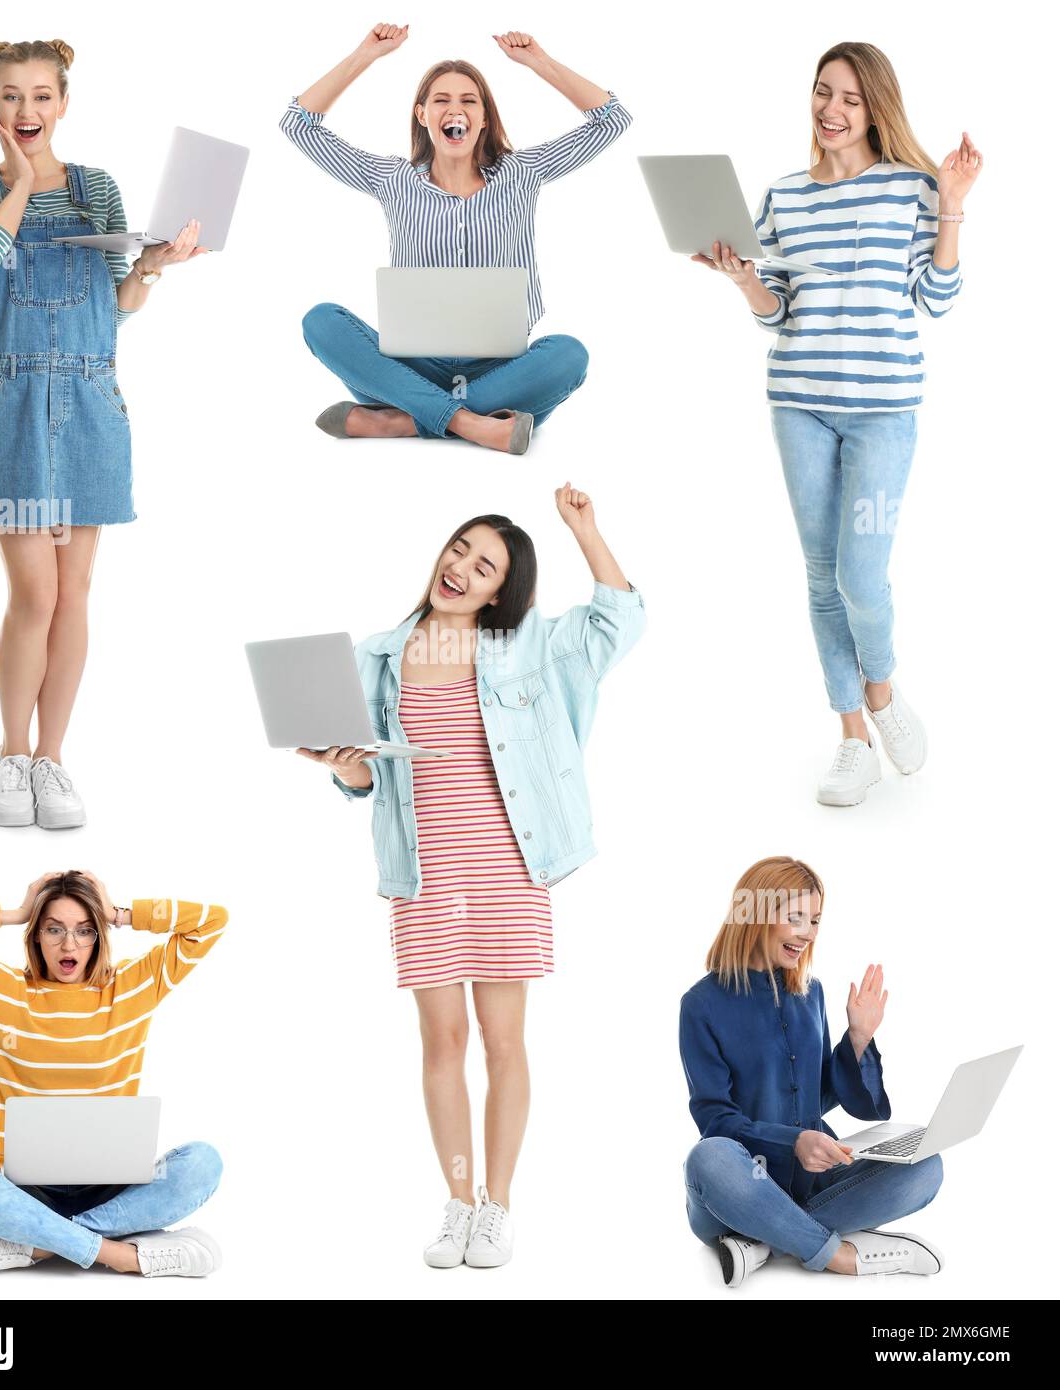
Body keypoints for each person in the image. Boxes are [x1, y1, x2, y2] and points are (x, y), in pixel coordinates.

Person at [298, 484, 644, 1266]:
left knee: (503, 1041)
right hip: (422, 873)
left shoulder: (527, 646)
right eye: (459, 548)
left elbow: (620, 621)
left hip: (506, 867)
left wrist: (586, 532)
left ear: (501, 589)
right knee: (441, 1042)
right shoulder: (375, 657)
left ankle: (500, 1206)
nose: (460, 568)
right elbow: (362, 786)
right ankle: (457, 1202)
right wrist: (346, 770)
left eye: (484, 566)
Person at [691, 43, 981, 805]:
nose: (832, 109)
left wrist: (950, 203)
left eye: (850, 98)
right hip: (800, 405)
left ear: (875, 107)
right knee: (822, 577)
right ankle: (853, 737)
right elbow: (776, 310)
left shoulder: (909, 189)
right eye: (824, 92)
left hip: (885, 409)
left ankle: (882, 694)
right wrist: (743, 279)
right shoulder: (784, 195)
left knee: (861, 573)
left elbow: (939, 300)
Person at [0, 39, 206, 829]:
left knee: (76, 595)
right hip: (14, 404)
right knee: (36, 593)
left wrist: (155, 265)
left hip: (92, 403)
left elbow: (117, 306)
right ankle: (11, 754)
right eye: (12, 98)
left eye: (41, 97)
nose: (28, 111)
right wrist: (21, 182)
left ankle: (54, 761)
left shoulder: (98, 191)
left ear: (64, 104)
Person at [282, 24, 631, 452]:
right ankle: (472, 423)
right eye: (441, 101)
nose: (456, 110)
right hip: (409, 369)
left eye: (469, 101)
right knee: (321, 321)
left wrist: (538, 61)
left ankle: (403, 421)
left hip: (500, 372)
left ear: (483, 118)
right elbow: (299, 125)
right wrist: (365, 55)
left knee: (569, 355)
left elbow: (612, 119)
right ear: (422, 115)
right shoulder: (393, 180)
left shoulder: (520, 174)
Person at [0, 871, 227, 1277]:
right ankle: (120, 1255)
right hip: (23, 1192)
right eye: (53, 928)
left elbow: (212, 920)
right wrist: (16, 913)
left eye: (85, 930)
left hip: (115, 1190)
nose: (69, 944)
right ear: (36, 935)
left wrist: (118, 913)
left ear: (99, 936)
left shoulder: (131, 986)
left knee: (203, 1162)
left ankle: (39, 1246)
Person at [679, 856, 944, 1287]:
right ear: (756, 914)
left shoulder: (811, 992)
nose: (808, 933)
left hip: (812, 1181)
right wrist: (794, 1141)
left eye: (816, 920)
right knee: (708, 1157)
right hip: (739, 1185)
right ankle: (836, 1254)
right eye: (796, 917)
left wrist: (858, 1038)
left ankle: (764, 1244)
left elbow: (817, 1095)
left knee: (926, 1165)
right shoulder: (701, 1005)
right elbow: (715, 1119)